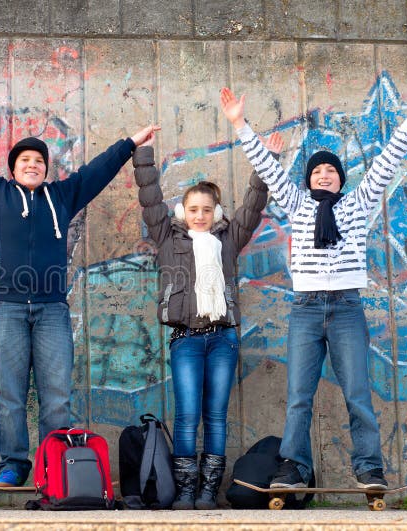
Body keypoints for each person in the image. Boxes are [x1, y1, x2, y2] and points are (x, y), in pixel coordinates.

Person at [0, 80, 158, 487]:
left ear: (47, 169)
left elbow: (99, 169)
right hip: (7, 309)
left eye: (38, 161)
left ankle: (53, 467)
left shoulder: (62, 197)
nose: (32, 165)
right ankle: (14, 464)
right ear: (12, 168)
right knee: (10, 395)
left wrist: (131, 143)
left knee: (57, 398)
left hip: (52, 312)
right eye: (24, 160)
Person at [219, 80, 407, 489]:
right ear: (309, 180)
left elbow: (386, 164)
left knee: (357, 393)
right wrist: (240, 125)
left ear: (340, 179)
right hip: (305, 309)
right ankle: (294, 467)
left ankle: (369, 468)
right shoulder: (297, 202)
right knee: (299, 397)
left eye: (330, 171)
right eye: (317, 171)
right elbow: (268, 168)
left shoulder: (358, 203)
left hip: (346, 309)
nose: (324, 175)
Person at [132, 130, 281, 509]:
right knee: (186, 417)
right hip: (186, 340)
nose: (200, 215)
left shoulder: (228, 241)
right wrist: (142, 152)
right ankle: (185, 490)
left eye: (206, 209)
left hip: (222, 340)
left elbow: (252, 207)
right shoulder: (168, 238)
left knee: (215, 417)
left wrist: (264, 165)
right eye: (193, 209)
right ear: (183, 211)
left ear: (216, 212)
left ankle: (207, 491)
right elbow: (150, 199)